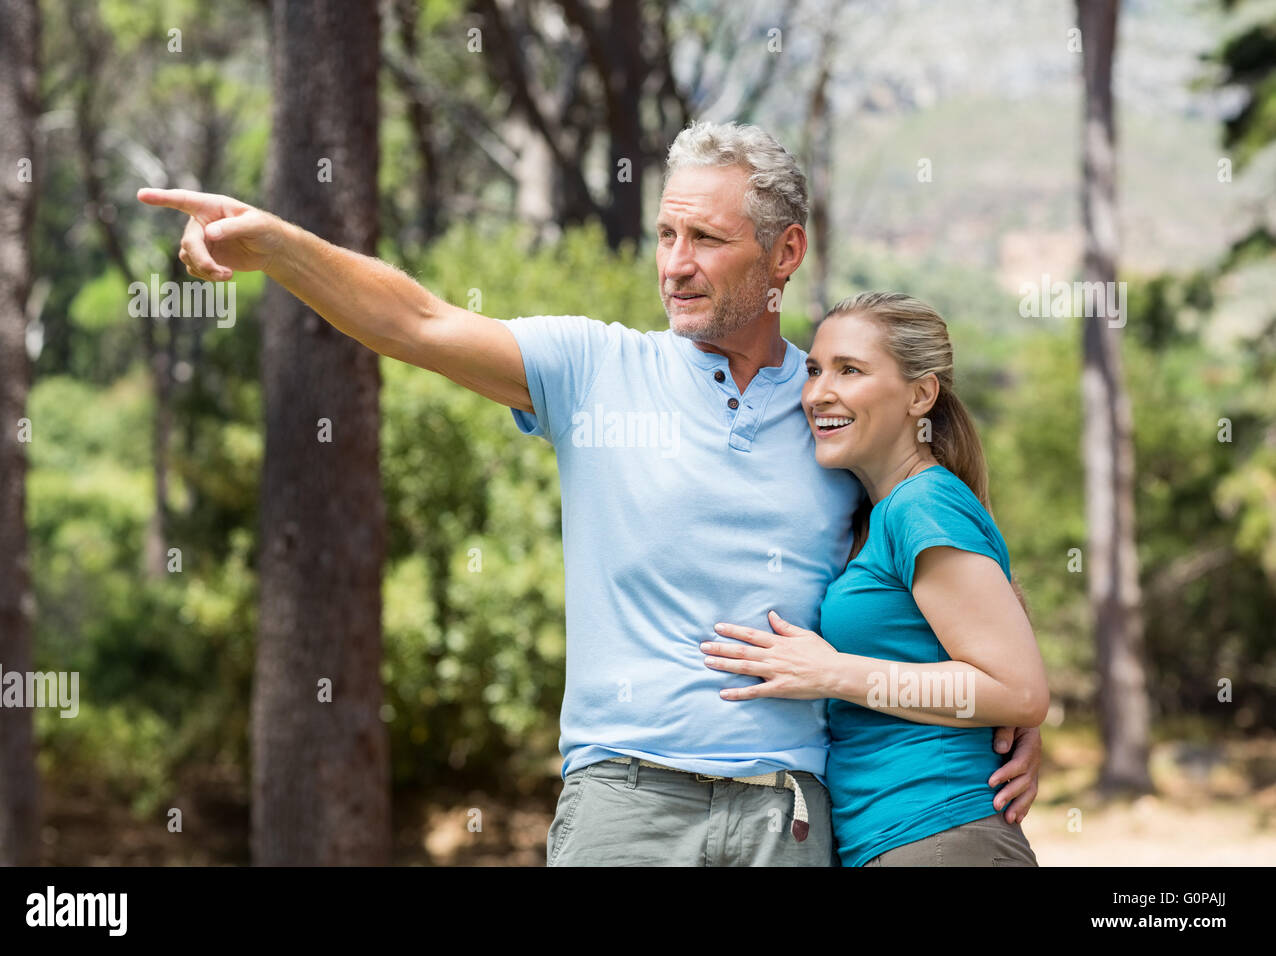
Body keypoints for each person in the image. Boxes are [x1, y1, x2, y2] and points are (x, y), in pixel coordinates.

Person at [137, 121, 1041, 866]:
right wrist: (277, 246)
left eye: (708, 240)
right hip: (626, 805)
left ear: (784, 253)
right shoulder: (594, 368)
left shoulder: (831, 408)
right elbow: (415, 322)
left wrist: (999, 724)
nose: (675, 264)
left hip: (790, 817)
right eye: (665, 234)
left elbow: (938, 577)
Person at [700, 291, 1047, 866]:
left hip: (941, 835)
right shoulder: (882, 511)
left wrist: (833, 672)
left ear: (921, 394)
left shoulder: (924, 503)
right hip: (898, 843)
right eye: (813, 370)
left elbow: (1020, 691)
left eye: (850, 370)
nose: (818, 393)